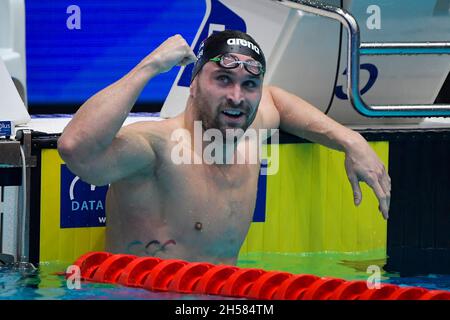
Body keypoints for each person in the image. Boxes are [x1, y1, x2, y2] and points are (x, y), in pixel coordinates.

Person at [58, 30, 391, 265]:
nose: (236, 96)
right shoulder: (156, 148)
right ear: (193, 84)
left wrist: (352, 141)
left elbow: (277, 99)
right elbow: (76, 147)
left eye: (249, 85)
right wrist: (152, 65)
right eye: (222, 80)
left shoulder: (250, 132)